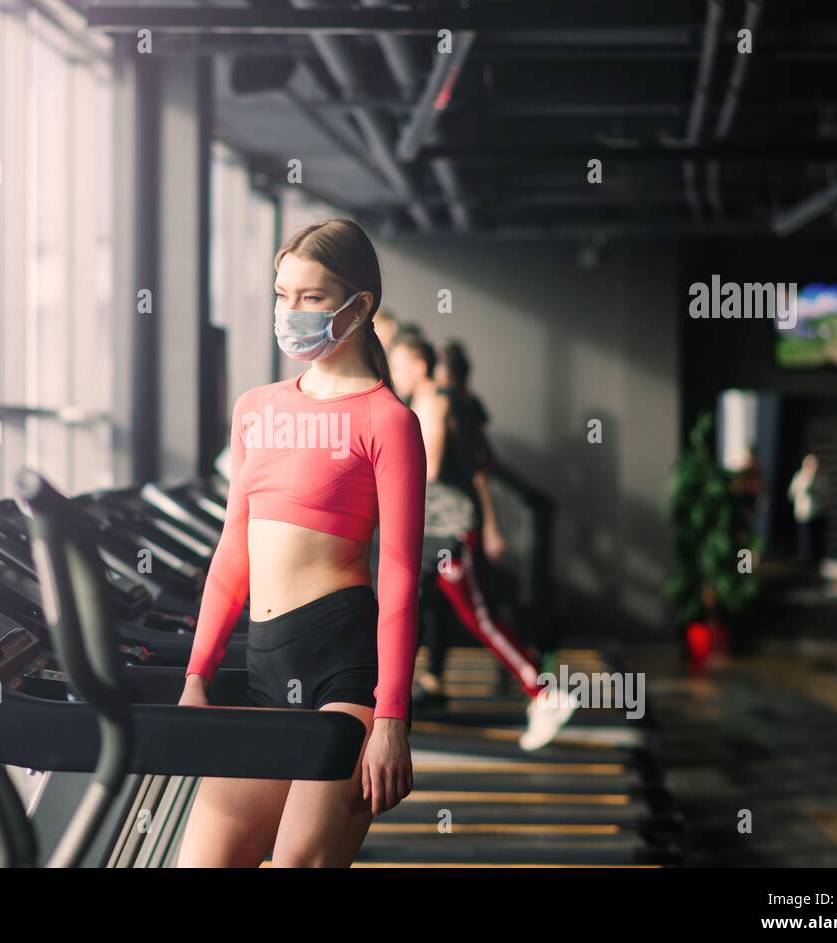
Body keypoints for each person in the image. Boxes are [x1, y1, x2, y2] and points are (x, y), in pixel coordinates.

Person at [176, 218, 426, 867]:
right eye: (282, 294)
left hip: (342, 668)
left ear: (359, 305)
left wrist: (392, 718)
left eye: (310, 298)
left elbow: (398, 574)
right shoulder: (256, 408)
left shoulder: (388, 421)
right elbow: (234, 551)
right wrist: (197, 673)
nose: (290, 311)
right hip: (264, 668)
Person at [389, 334, 575, 750]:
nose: (394, 373)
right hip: (436, 533)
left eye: (398, 365)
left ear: (419, 367)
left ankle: (545, 692)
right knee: (410, 613)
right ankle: (390, 704)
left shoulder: (433, 405)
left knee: (481, 620)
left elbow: (429, 474)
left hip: (449, 534)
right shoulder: (428, 405)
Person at [788, 453, 828, 566]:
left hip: (818, 515)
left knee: (817, 541)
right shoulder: (799, 477)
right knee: (804, 541)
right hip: (803, 515)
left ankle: (816, 563)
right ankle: (804, 561)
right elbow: (792, 493)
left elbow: (826, 495)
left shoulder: (821, 478)